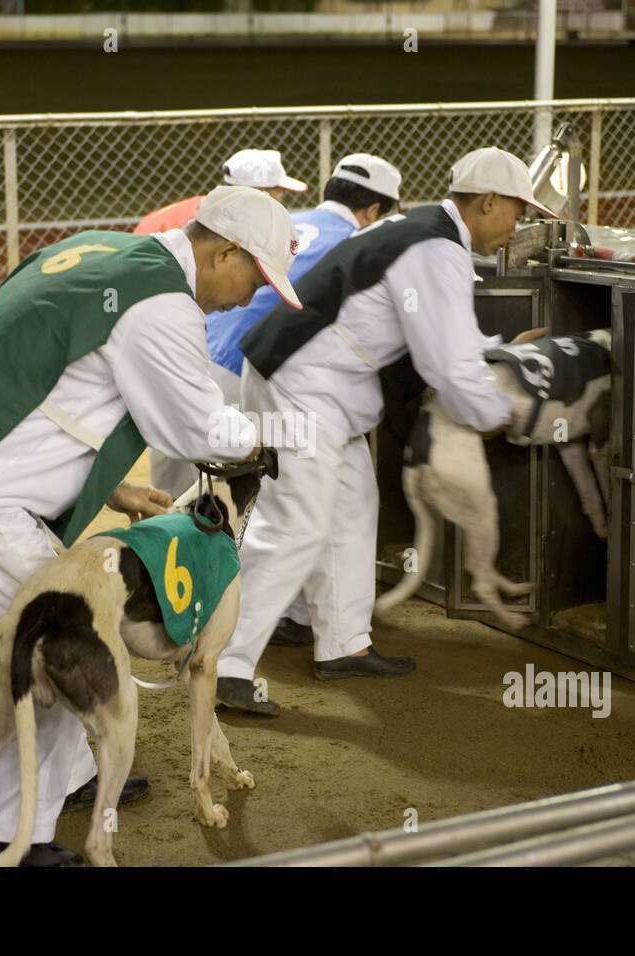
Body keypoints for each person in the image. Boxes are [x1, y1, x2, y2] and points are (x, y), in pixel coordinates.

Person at [0, 185, 299, 865]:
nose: (251, 296)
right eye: (254, 277)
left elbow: (54, 375)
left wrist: (118, 486)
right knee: (57, 659)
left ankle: (18, 822)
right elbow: (195, 427)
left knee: (37, 658)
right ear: (223, 250)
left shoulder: (105, 248)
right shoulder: (164, 306)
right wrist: (253, 445)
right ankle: (8, 843)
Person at [215, 147, 556, 715]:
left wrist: (497, 355)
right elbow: (444, 364)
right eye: (516, 212)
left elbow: (445, 337)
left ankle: (344, 644)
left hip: (317, 384)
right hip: (303, 384)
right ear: (488, 201)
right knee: (297, 522)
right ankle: (225, 662)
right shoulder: (436, 247)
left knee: (352, 506)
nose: (516, 228)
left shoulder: (424, 232)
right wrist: (501, 415)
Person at [196, 153, 403, 659]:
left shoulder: (292, 223)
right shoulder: (362, 242)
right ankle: (233, 640)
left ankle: (224, 610)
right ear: (374, 210)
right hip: (263, 366)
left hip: (203, 353)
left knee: (220, 496)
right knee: (284, 508)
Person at [143, 148, 306, 497]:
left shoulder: (170, 223)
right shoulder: (261, 235)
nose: (280, 202)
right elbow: (199, 423)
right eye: (277, 194)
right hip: (212, 358)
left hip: (187, 357)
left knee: (167, 489)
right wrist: (256, 445)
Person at [132, 148, 307, 236]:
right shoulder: (216, 225)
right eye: (279, 193)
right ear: (260, 193)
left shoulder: (209, 208)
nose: (281, 201)